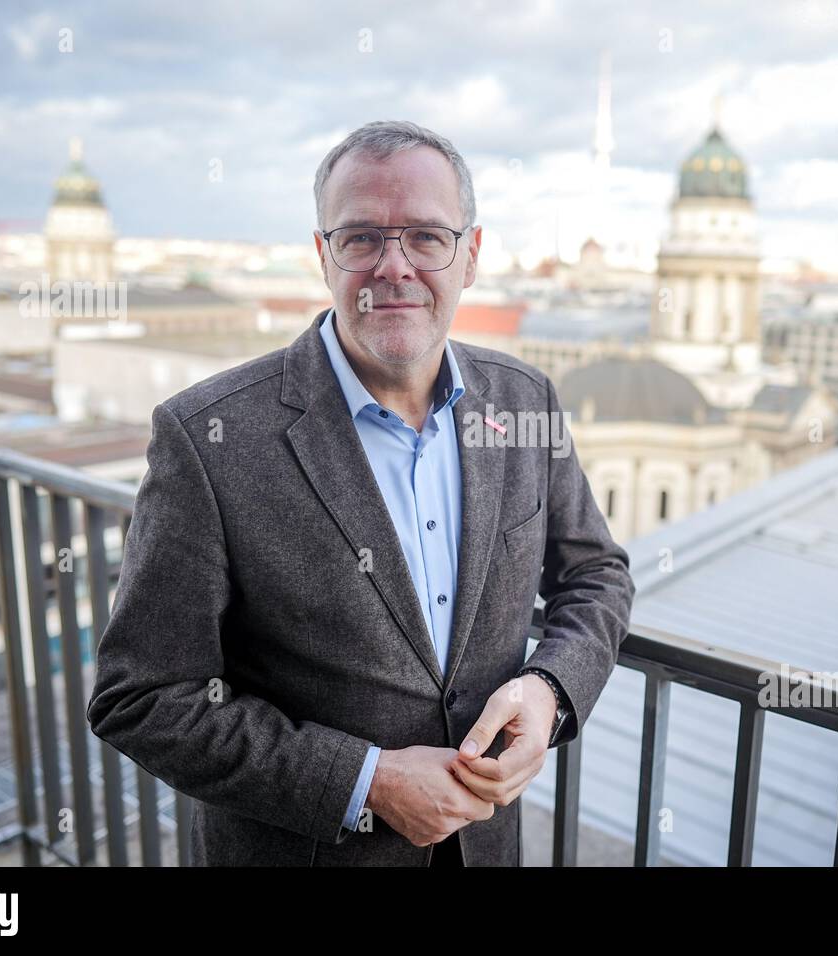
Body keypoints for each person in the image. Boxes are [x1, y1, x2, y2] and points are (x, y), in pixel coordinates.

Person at [86, 120, 635, 866]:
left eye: (426, 237)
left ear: (470, 255)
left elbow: (595, 575)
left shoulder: (525, 398)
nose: (395, 266)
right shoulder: (208, 438)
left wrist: (548, 691)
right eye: (362, 238)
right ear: (323, 255)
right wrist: (367, 782)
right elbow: (143, 699)